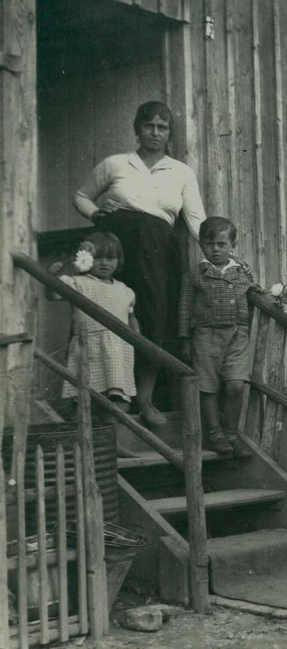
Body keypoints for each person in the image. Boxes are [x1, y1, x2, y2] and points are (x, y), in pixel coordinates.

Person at [73, 101, 206, 427]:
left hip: (158, 253)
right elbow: (81, 195)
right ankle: (107, 401)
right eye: (149, 126)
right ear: (137, 129)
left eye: (162, 127)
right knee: (107, 318)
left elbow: (197, 220)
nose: (155, 133)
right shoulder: (116, 164)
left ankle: (144, 400)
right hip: (115, 248)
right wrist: (95, 214)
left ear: (170, 133)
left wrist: (222, 260)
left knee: (152, 322)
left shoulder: (181, 171)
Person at [179, 217, 255, 458]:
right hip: (205, 335)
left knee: (236, 385)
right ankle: (215, 434)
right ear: (201, 245)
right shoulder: (195, 274)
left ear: (232, 245)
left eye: (222, 244)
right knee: (208, 386)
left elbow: (253, 291)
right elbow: (185, 306)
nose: (215, 249)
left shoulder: (241, 272)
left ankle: (232, 434)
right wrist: (184, 337)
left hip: (237, 334)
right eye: (210, 244)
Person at [47, 233, 137, 422]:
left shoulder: (125, 290)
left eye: (110, 258)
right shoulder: (77, 283)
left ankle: (110, 440)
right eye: (97, 258)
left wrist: (136, 339)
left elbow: (131, 317)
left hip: (118, 350)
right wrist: (54, 274)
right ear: (86, 259)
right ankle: (85, 440)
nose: (104, 263)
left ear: (118, 260)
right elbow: (53, 295)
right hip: (89, 347)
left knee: (118, 398)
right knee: (84, 397)